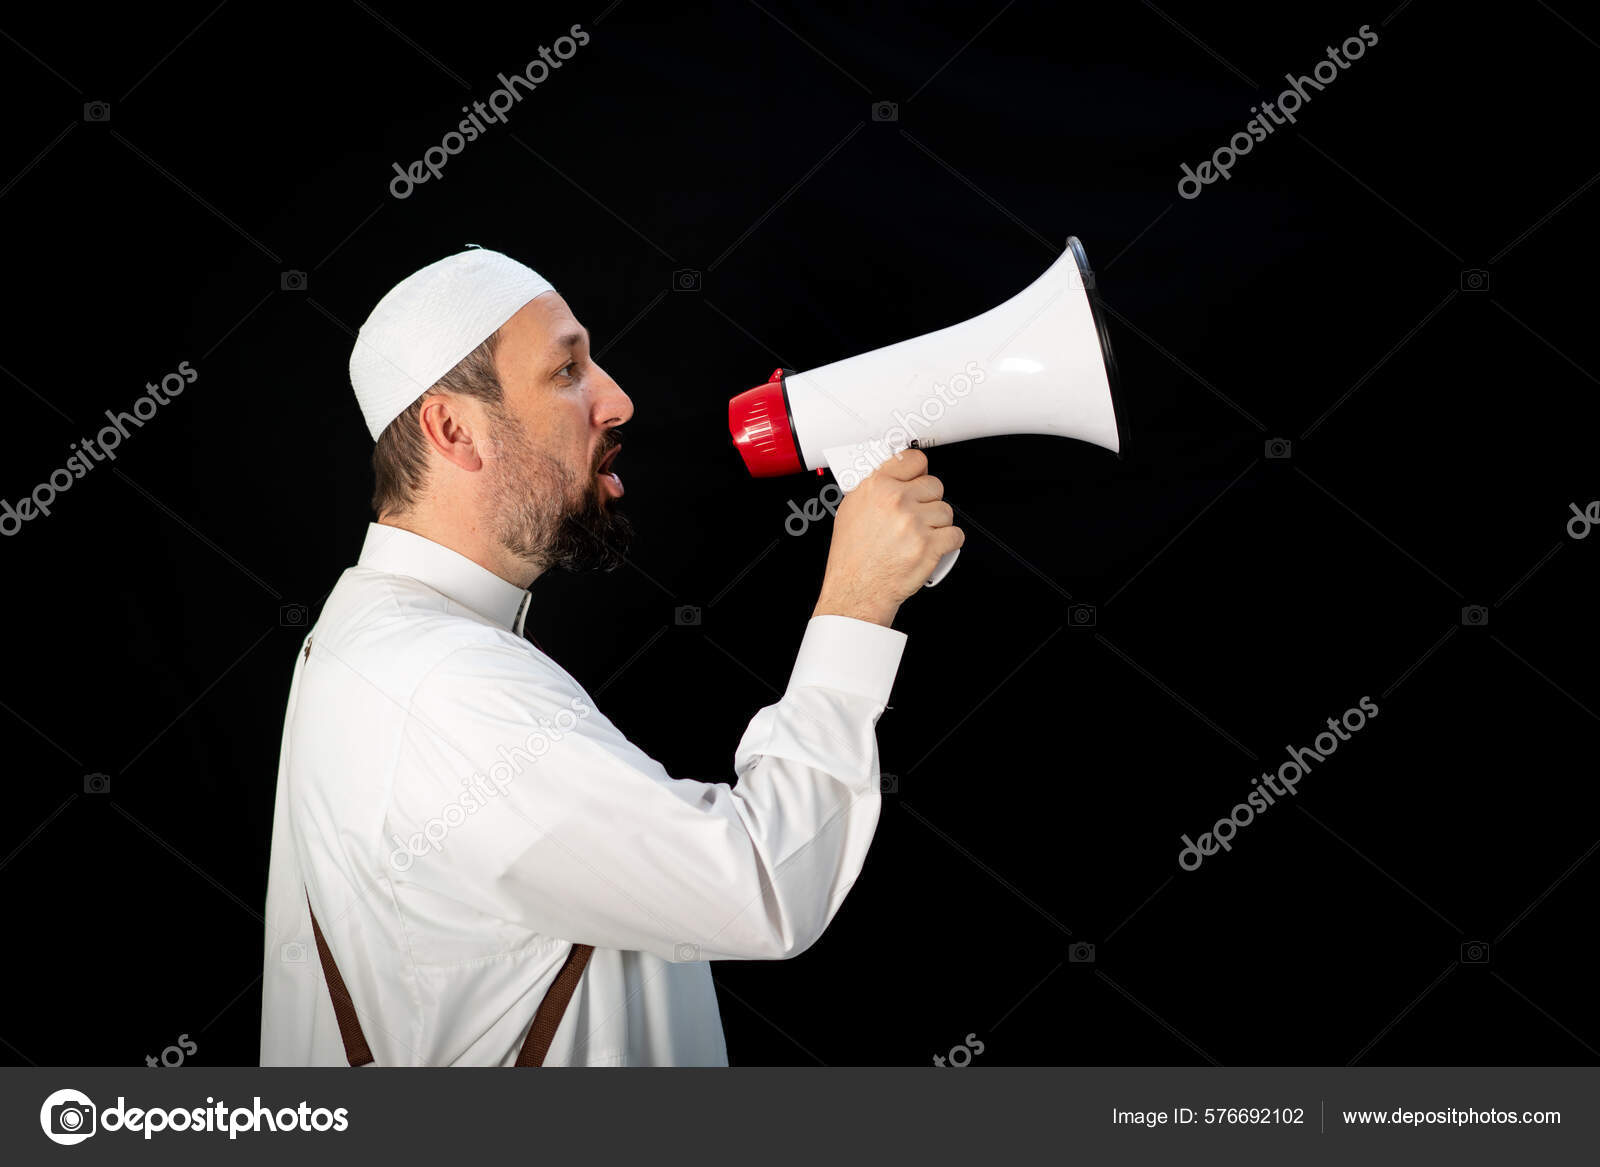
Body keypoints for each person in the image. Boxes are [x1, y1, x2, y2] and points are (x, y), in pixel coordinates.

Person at [259, 247, 963, 1065]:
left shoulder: (373, 637)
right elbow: (765, 887)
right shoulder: (444, 688)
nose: (619, 400)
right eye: (567, 371)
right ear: (453, 428)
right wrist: (858, 603)